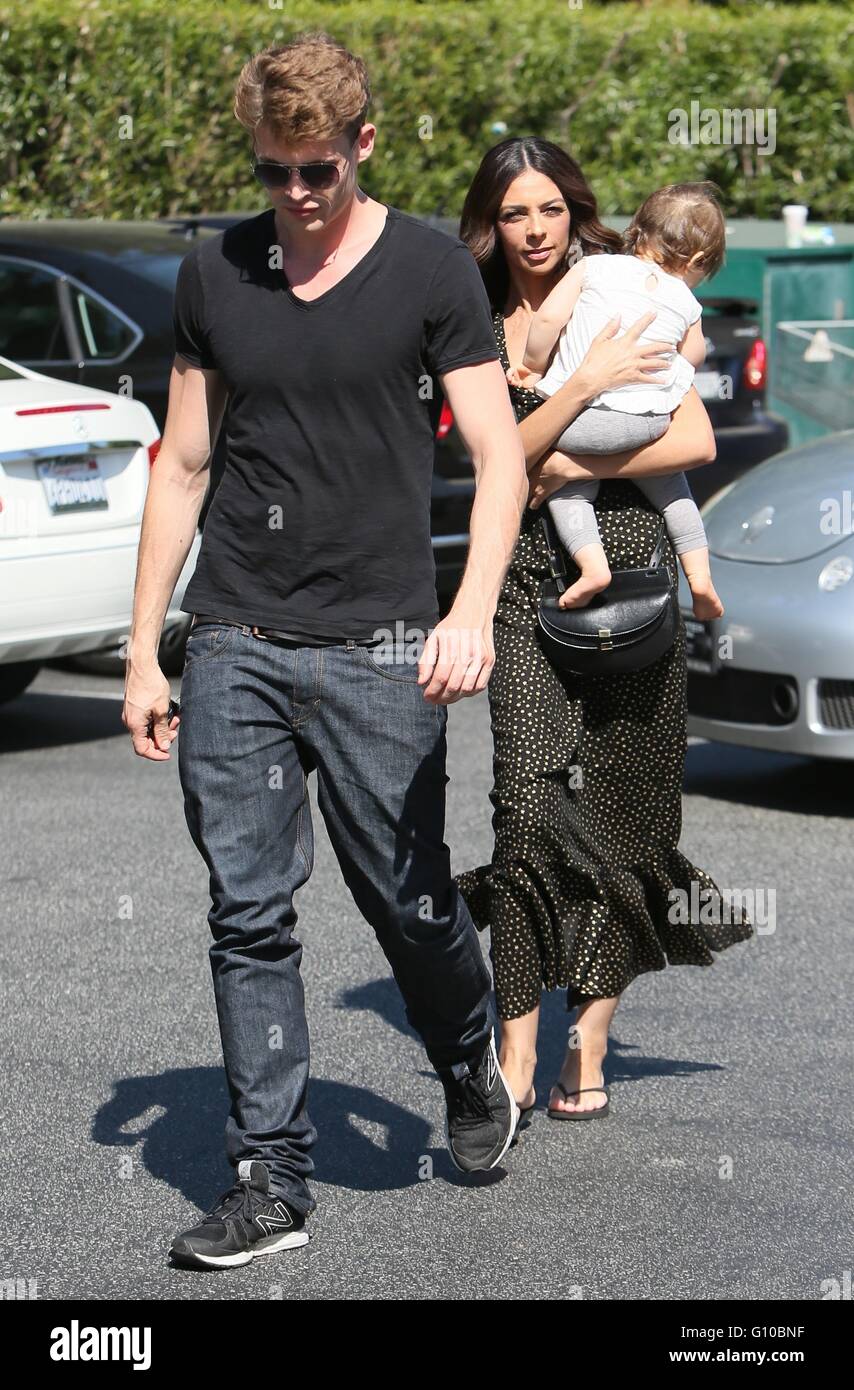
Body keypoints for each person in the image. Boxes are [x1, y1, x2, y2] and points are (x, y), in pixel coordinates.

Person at [121, 31, 532, 1270]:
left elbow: (498, 455)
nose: (294, 198)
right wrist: (145, 649)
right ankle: (271, 1180)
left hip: (385, 640)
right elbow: (184, 461)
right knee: (248, 912)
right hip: (239, 629)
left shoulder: (426, 274)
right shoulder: (216, 274)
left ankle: (465, 1057)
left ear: (362, 144)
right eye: (272, 172)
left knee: (406, 902)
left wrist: (466, 615)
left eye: (315, 171)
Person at [453, 137, 752, 1124]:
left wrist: (576, 462)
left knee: (628, 805)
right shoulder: (469, 319)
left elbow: (696, 436)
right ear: (489, 225)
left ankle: (588, 1034)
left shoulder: (623, 287)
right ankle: (514, 1042)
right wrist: (580, 392)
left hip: (629, 571)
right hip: (521, 581)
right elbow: (496, 457)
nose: (533, 231)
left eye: (547, 210)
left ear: (572, 211)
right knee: (525, 804)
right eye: (512, 215)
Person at [508, 182, 725, 620]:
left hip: (586, 419)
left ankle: (592, 567)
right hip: (648, 421)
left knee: (566, 484)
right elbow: (695, 354)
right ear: (700, 261)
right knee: (673, 488)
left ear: (639, 233)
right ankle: (700, 579)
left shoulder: (596, 268)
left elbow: (549, 318)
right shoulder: (686, 300)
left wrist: (532, 366)